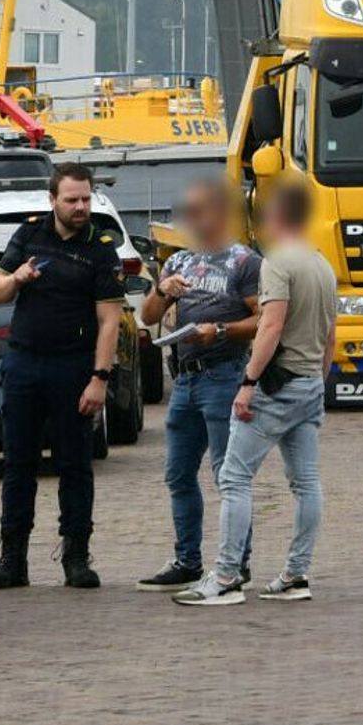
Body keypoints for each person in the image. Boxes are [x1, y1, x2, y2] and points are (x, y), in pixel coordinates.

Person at [175, 179, 335, 607]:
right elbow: (331, 335)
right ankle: (296, 574)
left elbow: (271, 325)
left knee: (234, 477)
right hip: (308, 384)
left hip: (275, 385)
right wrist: (319, 380)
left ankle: (227, 577)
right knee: (305, 482)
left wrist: (247, 382)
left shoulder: (277, 263)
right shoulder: (322, 265)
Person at [0, 162, 123, 592]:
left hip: (73, 366)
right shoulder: (28, 235)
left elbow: (110, 322)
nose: (80, 207)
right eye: (72, 200)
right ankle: (12, 558)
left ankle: (76, 555)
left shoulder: (100, 247)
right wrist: (19, 276)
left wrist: (100, 377)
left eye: (85, 199)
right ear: (52, 200)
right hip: (24, 364)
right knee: (19, 463)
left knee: (74, 464)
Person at [136, 180, 261, 592]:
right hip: (186, 380)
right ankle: (188, 559)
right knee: (178, 474)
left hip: (223, 374)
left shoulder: (245, 262)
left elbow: (265, 319)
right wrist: (161, 289)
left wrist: (221, 330)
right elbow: (147, 315)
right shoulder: (179, 263)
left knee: (229, 475)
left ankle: (236, 564)